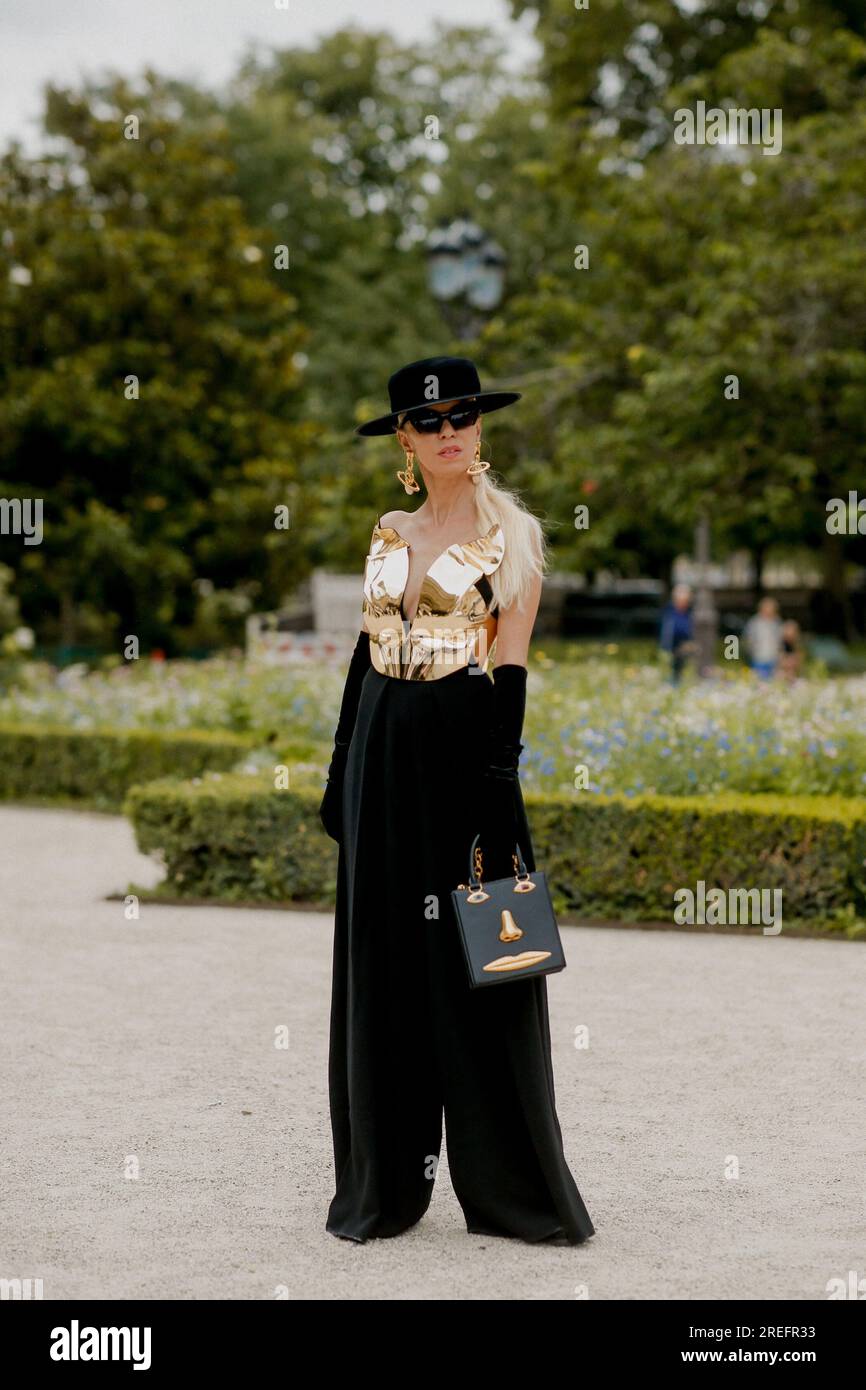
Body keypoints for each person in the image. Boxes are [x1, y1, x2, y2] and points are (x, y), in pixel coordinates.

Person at [319, 356, 595, 1247]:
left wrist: (496, 781)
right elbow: (364, 658)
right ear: (403, 438)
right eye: (429, 421)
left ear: (479, 427)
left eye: (462, 416)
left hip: (462, 746)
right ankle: (381, 1187)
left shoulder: (513, 537)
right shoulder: (388, 532)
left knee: (486, 959)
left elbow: (509, 667)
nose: (448, 432)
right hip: (380, 750)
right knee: (381, 960)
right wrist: (337, 769)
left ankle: (516, 1193)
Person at [659, 583, 695, 684]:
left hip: (687, 648)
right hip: (673, 648)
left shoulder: (690, 613)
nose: (684, 601)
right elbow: (668, 633)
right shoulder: (670, 612)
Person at [743, 596, 782, 679]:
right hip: (758, 657)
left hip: (773, 658)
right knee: (759, 679)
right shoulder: (754, 622)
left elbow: (780, 640)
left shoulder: (777, 622)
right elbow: (748, 639)